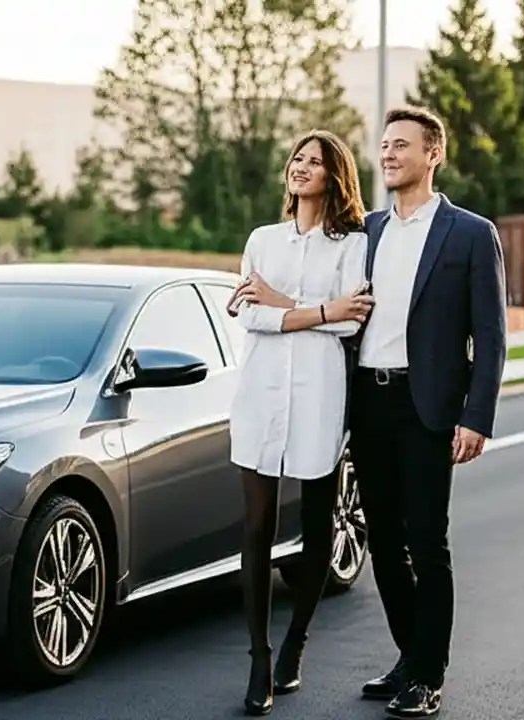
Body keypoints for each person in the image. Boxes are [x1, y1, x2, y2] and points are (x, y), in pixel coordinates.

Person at [349, 106, 507, 718]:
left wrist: (477, 415)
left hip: (428, 406)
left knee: (425, 541)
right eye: (385, 145)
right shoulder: (366, 230)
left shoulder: (470, 233)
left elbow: (490, 335)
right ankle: (409, 657)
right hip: (369, 401)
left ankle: (428, 674)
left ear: (432, 154)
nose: (388, 154)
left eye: (401, 145)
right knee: (382, 541)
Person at [225, 129, 373, 716]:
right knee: (257, 528)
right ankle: (259, 658)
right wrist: (319, 309)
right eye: (297, 158)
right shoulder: (262, 240)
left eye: (315, 161)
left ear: (335, 176)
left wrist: (283, 302)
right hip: (260, 397)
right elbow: (247, 314)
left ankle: (296, 642)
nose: (302, 167)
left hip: (318, 397)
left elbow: (351, 321)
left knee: (317, 530)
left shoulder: (352, 245)